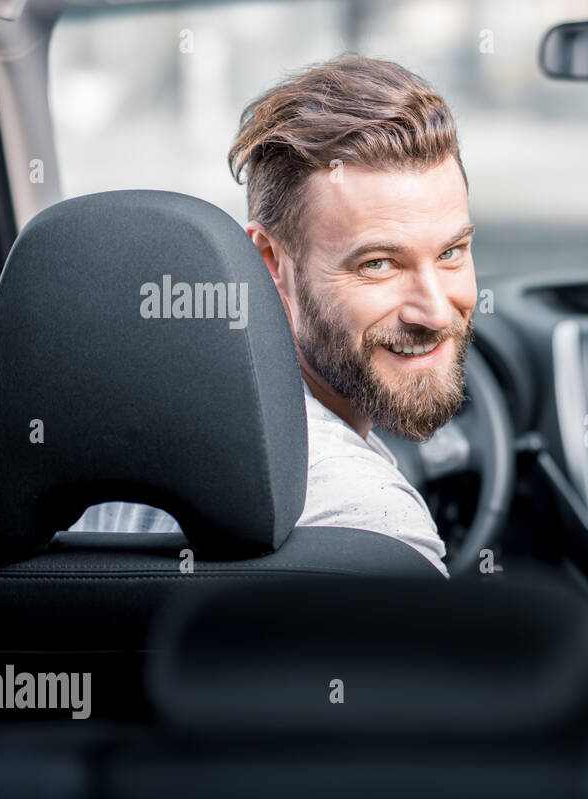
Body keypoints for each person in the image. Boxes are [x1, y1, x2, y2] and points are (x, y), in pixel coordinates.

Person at [70, 56, 472, 578]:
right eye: (379, 264)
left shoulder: (113, 455)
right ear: (270, 264)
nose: (436, 310)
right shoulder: (370, 523)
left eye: (452, 252)